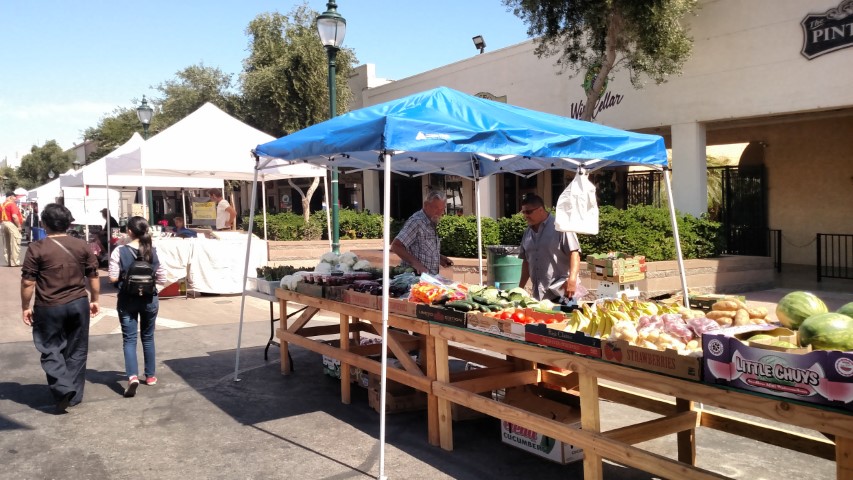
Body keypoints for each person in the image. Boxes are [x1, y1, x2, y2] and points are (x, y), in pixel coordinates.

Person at [20, 203, 100, 413]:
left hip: (49, 305)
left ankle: (63, 388)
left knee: (50, 348)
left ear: (44, 224)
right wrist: (95, 299)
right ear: (68, 223)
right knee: (77, 348)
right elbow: (93, 275)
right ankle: (73, 394)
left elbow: (28, 282)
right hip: (78, 302)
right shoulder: (82, 245)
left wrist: (25, 306)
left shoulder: (37, 248)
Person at [108, 216, 166, 397]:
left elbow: (112, 277)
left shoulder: (120, 251)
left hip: (127, 300)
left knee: (129, 339)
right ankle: (150, 376)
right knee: (148, 338)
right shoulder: (154, 251)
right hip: (149, 300)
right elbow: (163, 278)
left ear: (129, 231)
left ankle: (132, 376)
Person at [517, 193, 581, 302]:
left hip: (563, 292)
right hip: (539, 295)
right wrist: (520, 288)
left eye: (528, 212)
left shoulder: (560, 226)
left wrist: (573, 279)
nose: (525, 216)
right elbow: (526, 262)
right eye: (523, 212)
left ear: (541, 210)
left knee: (565, 319)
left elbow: (574, 253)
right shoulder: (527, 233)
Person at [390, 190, 453, 275]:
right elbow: (396, 246)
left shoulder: (431, 221)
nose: (439, 213)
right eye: (436, 208)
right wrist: (416, 264)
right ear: (426, 205)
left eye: (442, 209)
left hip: (429, 279)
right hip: (414, 278)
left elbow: (422, 248)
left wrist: (439, 258)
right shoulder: (417, 222)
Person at [2, 192, 24, 266]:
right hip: (11, 224)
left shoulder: (2, 205)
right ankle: (14, 262)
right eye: (15, 197)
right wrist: (19, 226)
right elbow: (14, 216)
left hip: (3, 223)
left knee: (6, 244)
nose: (15, 199)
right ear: (11, 197)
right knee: (15, 243)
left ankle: (8, 261)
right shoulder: (12, 204)